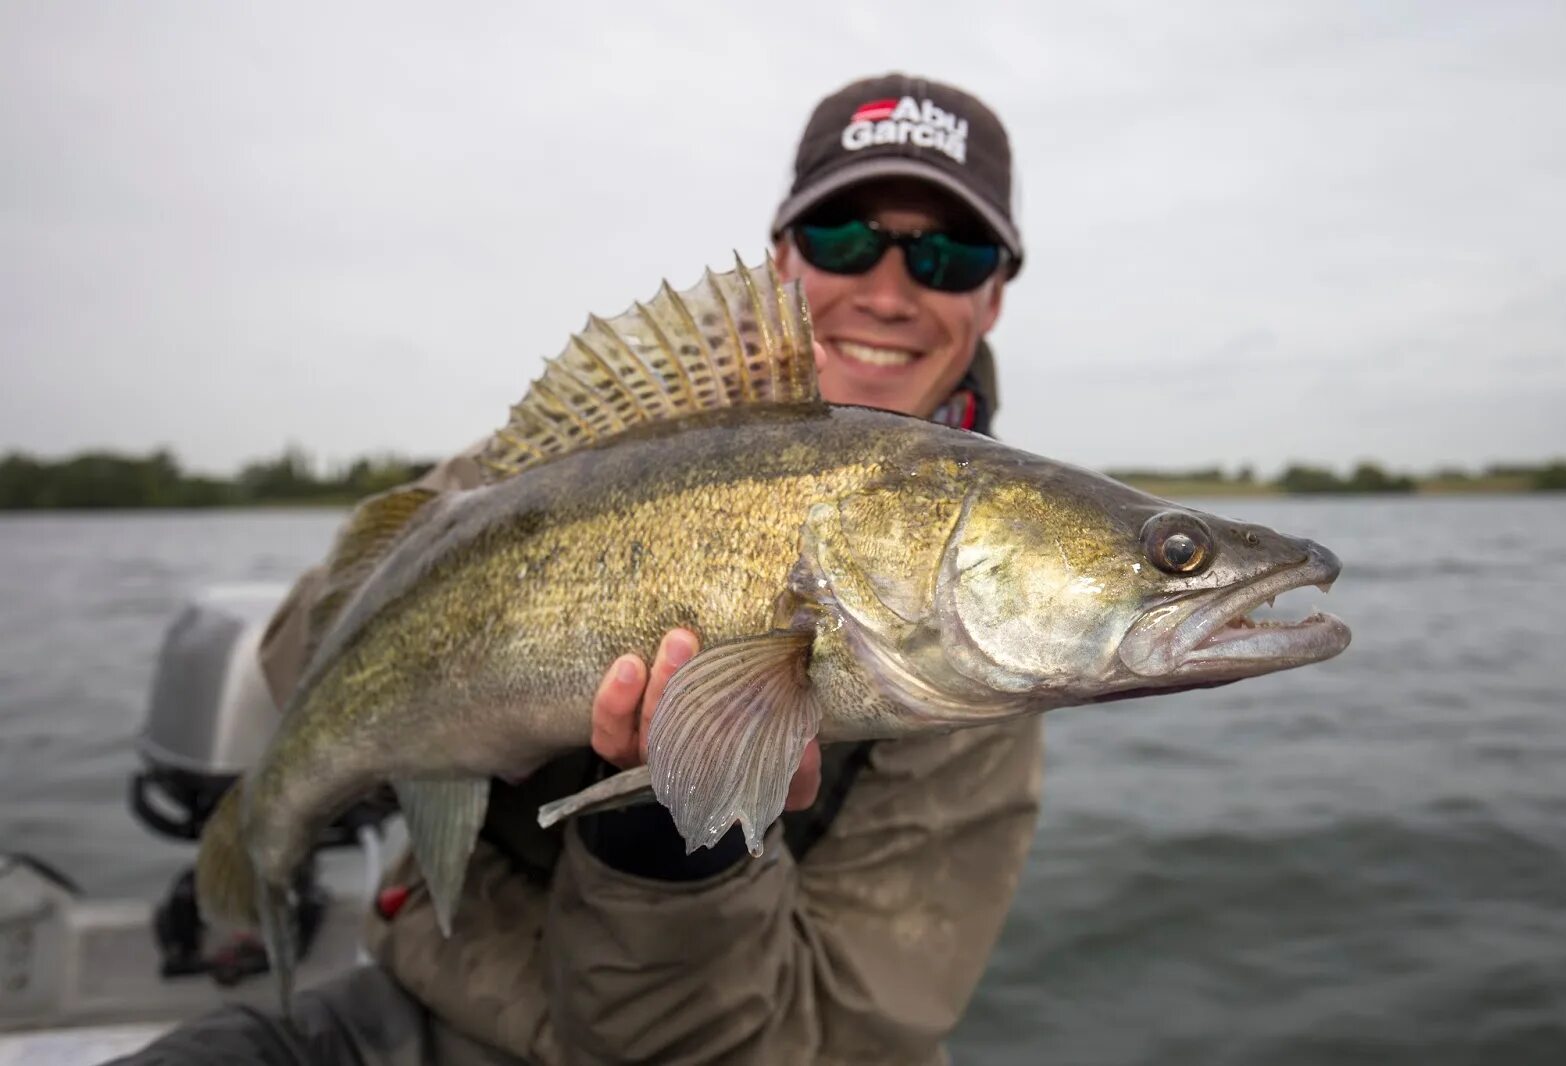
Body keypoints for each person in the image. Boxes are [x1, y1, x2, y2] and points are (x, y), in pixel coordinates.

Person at [110, 72, 1043, 1066]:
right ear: (782, 259)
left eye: (951, 254)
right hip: (435, 1006)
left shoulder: (986, 669)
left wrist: (676, 837)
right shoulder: (586, 461)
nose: (889, 290)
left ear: (989, 298)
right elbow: (303, 663)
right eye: (843, 240)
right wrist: (511, 508)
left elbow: (827, 1036)